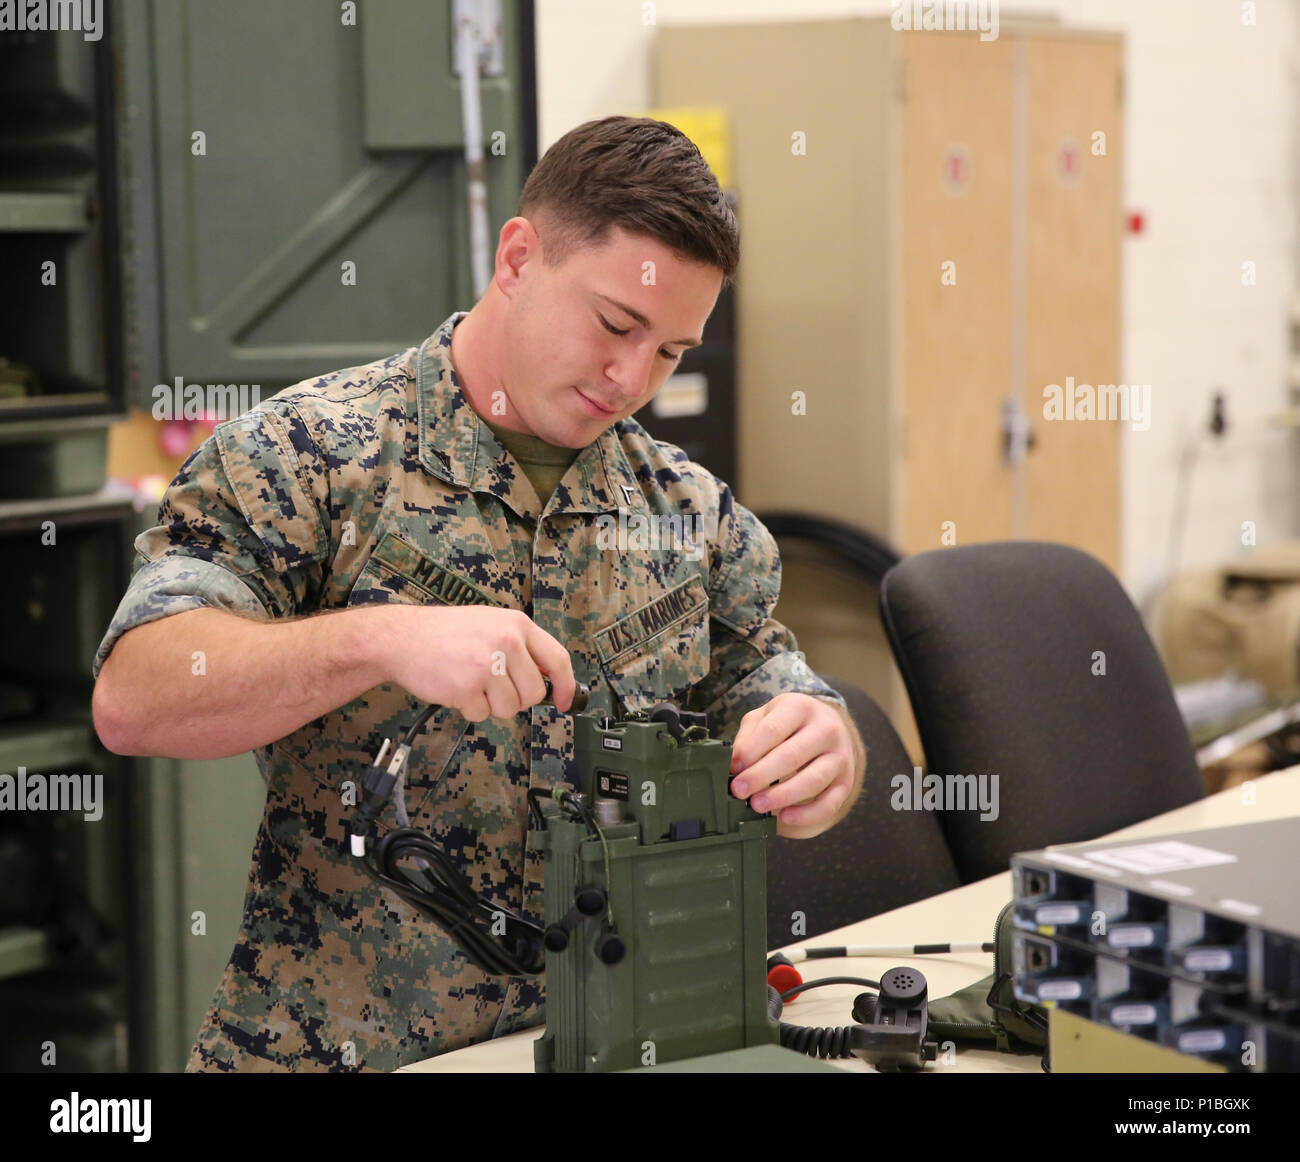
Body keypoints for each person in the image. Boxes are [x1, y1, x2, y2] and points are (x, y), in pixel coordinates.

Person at [91, 115, 867, 1072]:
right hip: (348, 1050)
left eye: (671, 352)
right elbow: (135, 697)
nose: (633, 380)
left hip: (615, 1037)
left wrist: (825, 748)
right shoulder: (312, 456)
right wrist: (377, 641)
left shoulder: (690, 513)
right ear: (517, 257)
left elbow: (775, 690)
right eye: (615, 324)